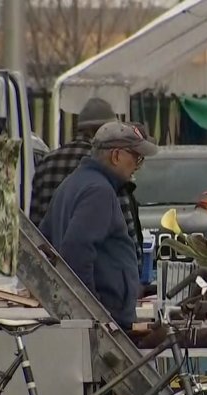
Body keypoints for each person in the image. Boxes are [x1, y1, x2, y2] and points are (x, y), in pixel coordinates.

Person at [39, 122, 158, 328]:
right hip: (105, 322)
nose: (138, 166)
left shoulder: (72, 183)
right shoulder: (99, 191)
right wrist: (94, 315)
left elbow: (44, 242)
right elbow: (75, 251)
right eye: (136, 158)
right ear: (116, 156)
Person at [30, 97, 115, 225]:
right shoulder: (106, 164)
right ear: (103, 130)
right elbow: (123, 221)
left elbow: (34, 220)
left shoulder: (46, 163)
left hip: (50, 244)